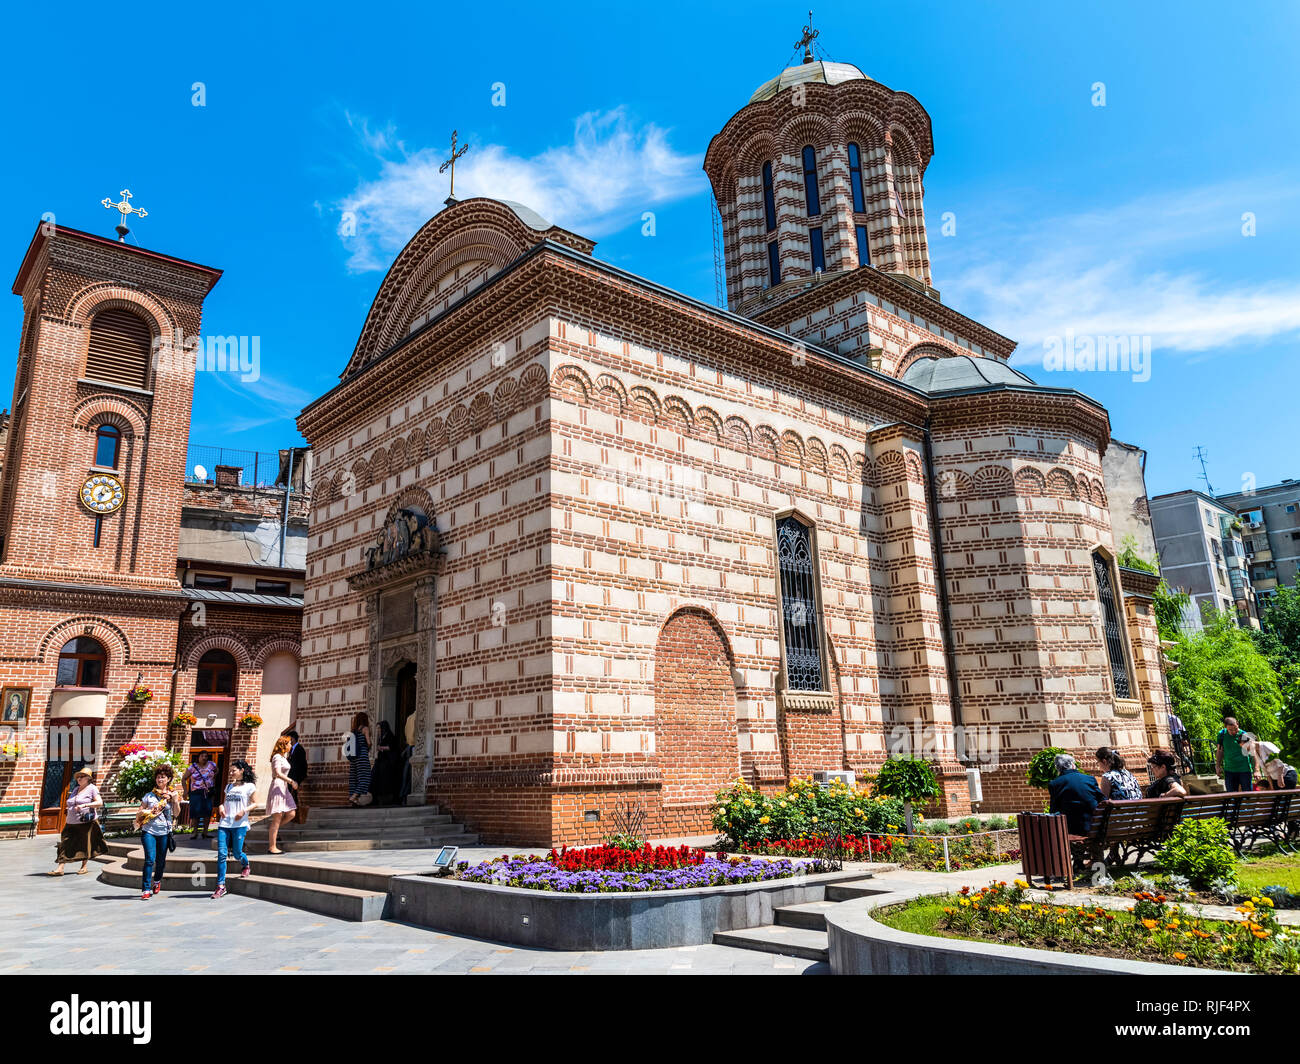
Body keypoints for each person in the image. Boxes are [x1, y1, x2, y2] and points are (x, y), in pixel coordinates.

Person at [212, 760, 256, 898]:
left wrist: (244, 811)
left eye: (233, 771)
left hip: (240, 824)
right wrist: (220, 807)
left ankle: (245, 864)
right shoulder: (229, 786)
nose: (231, 773)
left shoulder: (249, 786)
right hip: (225, 824)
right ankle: (220, 886)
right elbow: (224, 802)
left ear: (242, 770)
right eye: (230, 771)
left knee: (237, 853)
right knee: (221, 855)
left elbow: (255, 803)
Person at [135, 764, 180, 900]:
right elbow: (139, 812)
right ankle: (146, 889)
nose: (160, 780)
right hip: (149, 831)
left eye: (163, 777)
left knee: (160, 861)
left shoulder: (172, 795)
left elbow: (177, 814)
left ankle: (157, 880)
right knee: (149, 860)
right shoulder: (149, 796)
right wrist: (147, 811)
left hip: (164, 832)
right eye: (158, 777)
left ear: (168, 779)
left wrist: (176, 800)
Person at [52, 768, 106, 875]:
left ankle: (84, 866)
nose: (79, 778)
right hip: (71, 822)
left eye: (82, 776)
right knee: (64, 843)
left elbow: (99, 802)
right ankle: (60, 868)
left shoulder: (92, 789)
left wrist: (85, 805)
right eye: (78, 777)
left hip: (86, 822)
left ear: (88, 778)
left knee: (85, 844)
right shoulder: (76, 789)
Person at [1047, 753, 1103, 835]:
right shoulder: (1090, 779)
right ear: (1073, 765)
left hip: (1070, 829)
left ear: (1058, 768)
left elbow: (1053, 810)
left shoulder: (1055, 783)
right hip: (1094, 827)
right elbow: (1102, 800)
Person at [265, 735, 298, 854]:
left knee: (291, 813)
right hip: (278, 786)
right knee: (277, 817)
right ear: (283, 745)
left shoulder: (284, 757)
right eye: (289, 743)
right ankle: (272, 847)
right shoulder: (277, 757)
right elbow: (277, 773)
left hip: (283, 787)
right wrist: (291, 781)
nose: (290, 745)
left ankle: (274, 829)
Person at [182, 750, 217, 843]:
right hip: (196, 792)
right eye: (202, 756)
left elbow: (216, 771)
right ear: (198, 757)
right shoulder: (193, 767)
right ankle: (195, 832)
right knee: (195, 812)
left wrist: (212, 780)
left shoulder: (212, 765)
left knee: (208, 812)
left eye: (206, 756)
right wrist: (185, 790)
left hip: (208, 791)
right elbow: (184, 778)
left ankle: (205, 832)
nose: (204, 758)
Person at [1216, 717, 1254, 792]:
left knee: (1248, 794)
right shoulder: (1222, 734)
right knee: (1232, 795)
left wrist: (1256, 770)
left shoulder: (1244, 735)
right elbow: (1220, 750)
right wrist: (1218, 766)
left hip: (1244, 769)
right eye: (1230, 730)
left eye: (1235, 729)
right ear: (1225, 727)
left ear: (1238, 725)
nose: (1234, 731)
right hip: (1229, 770)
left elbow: (1253, 753)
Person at [370, 721, 400, 806]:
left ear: (383, 728)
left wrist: (381, 747)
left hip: (387, 762)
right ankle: (375, 799)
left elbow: (392, 747)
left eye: (379, 728)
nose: (378, 730)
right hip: (380, 761)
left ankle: (385, 799)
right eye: (377, 728)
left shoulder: (390, 736)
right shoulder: (381, 737)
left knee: (384, 781)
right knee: (373, 778)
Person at [347, 712, 372, 807]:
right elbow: (368, 743)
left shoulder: (353, 731)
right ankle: (354, 797)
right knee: (365, 778)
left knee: (354, 779)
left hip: (354, 758)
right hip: (362, 756)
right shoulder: (365, 729)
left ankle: (354, 800)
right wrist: (369, 745)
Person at [285, 729, 309, 823]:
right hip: (291, 777)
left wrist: (297, 779)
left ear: (292, 739)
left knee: (293, 795)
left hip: (296, 777)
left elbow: (301, 765)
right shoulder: (291, 749)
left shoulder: (299, 749)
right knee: (292, 796)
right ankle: (291, 814)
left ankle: (294, 815)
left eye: (288, 738)